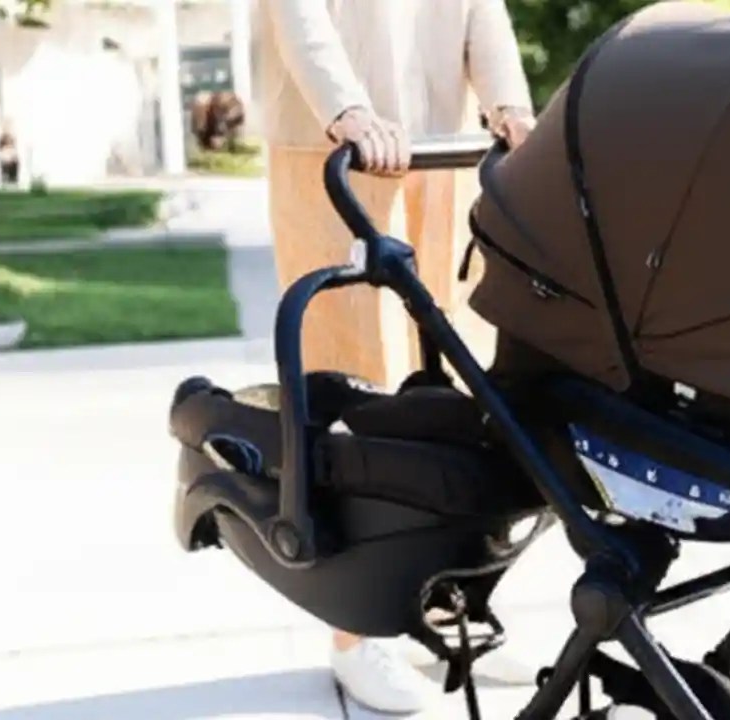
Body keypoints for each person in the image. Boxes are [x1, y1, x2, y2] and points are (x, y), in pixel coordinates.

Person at [255, 0, 536, 713]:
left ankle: (450, 604)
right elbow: (297, 15)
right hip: (334, 149)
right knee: (354, 383)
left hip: (438, 145)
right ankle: (356, 631)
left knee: (452, 386)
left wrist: (510, 105)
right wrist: (346, 109)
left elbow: (482, 11)